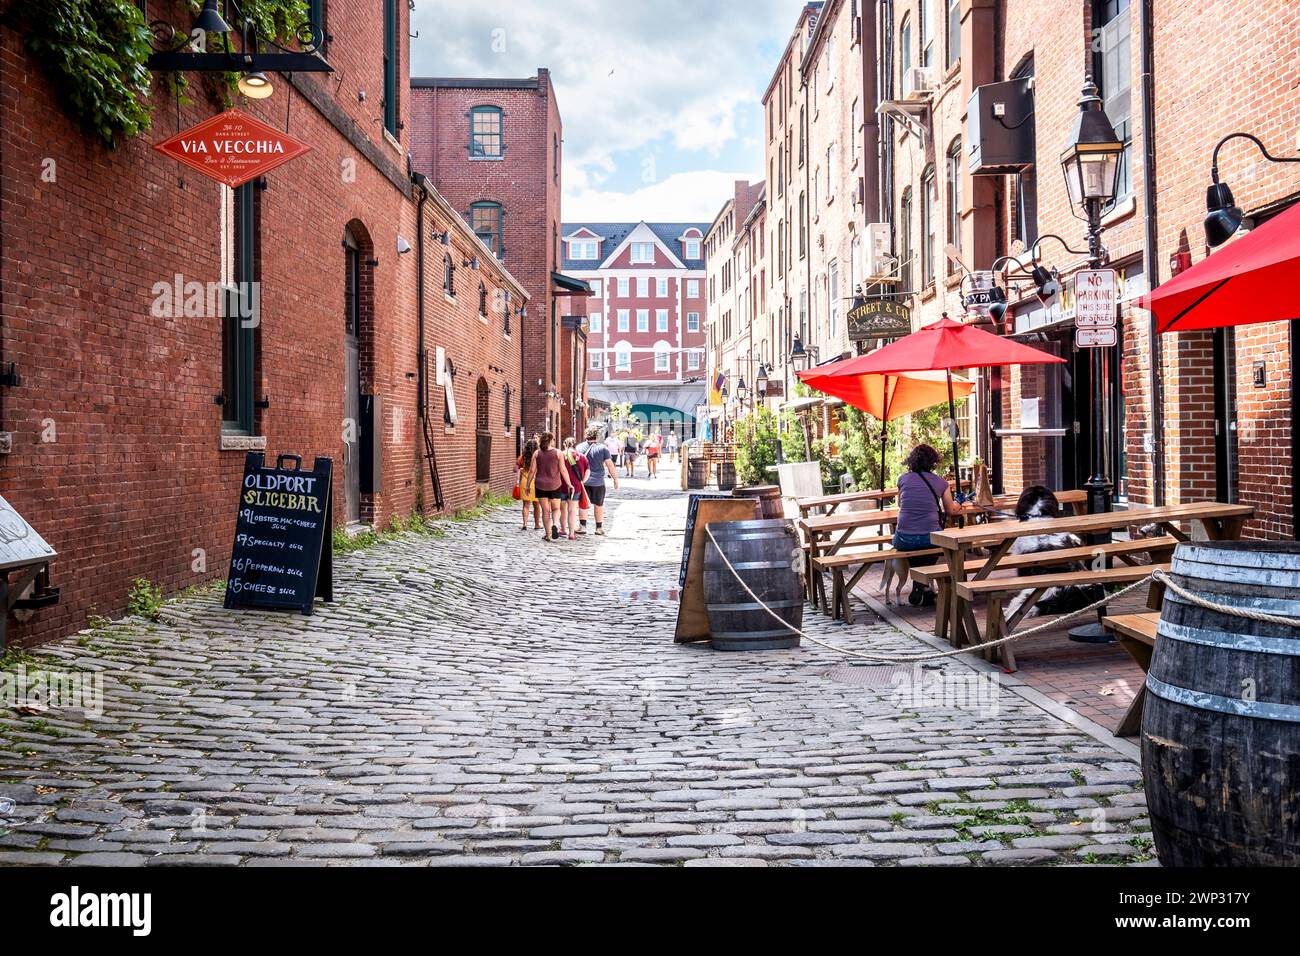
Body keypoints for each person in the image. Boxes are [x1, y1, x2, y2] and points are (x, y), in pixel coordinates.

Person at [894, 443, 963, 606]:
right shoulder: (941, 483)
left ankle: (922, 586)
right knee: (936, 544)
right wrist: (960, 502)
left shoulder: (902, 479)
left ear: (911, 461)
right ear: (933, 462)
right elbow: (951, 510)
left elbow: (900, 504)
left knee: (916, 547)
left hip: (903, 539)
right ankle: (922, 585)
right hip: (930, 538)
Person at [529, 432, 572, 542]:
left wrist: (528, 485)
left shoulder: (537, 453)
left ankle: (548, 534)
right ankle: (556, 525)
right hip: (555, 485)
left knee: (545, 511)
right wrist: (569, 484)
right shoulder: (558, 453)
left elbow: (532, 471)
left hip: (540, 485)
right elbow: (563, 470)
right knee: (556, 508)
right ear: (551, 440)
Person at [579, 425, 619, 536]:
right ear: (597, 436)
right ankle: (598, 528)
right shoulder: (602, 448)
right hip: (598, 482)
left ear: (586, 435)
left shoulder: (579, 448)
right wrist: (615, 479)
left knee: (583, 504)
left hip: (583, 481)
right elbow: (610, 465)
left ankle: (582, 526)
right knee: (599, 505)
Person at [560, 436, 590, 541]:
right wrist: (582, 481)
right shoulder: (582, 457)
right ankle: (572, 533)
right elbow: (587, 471)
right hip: (576, 486)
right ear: (575, 445)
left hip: (562, 485)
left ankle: (563, 529)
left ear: (565, 444)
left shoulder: (560, 455)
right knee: (572, 510)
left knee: (562, 508)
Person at [517, 440, 540, 531]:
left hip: (524, 482)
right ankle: (537, 524)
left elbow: (515, 469)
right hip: (535, 482)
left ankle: (525, 524)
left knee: (526, 505)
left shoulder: (522, 457)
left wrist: (522, 468)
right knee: (537, 505)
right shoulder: (539, 457)